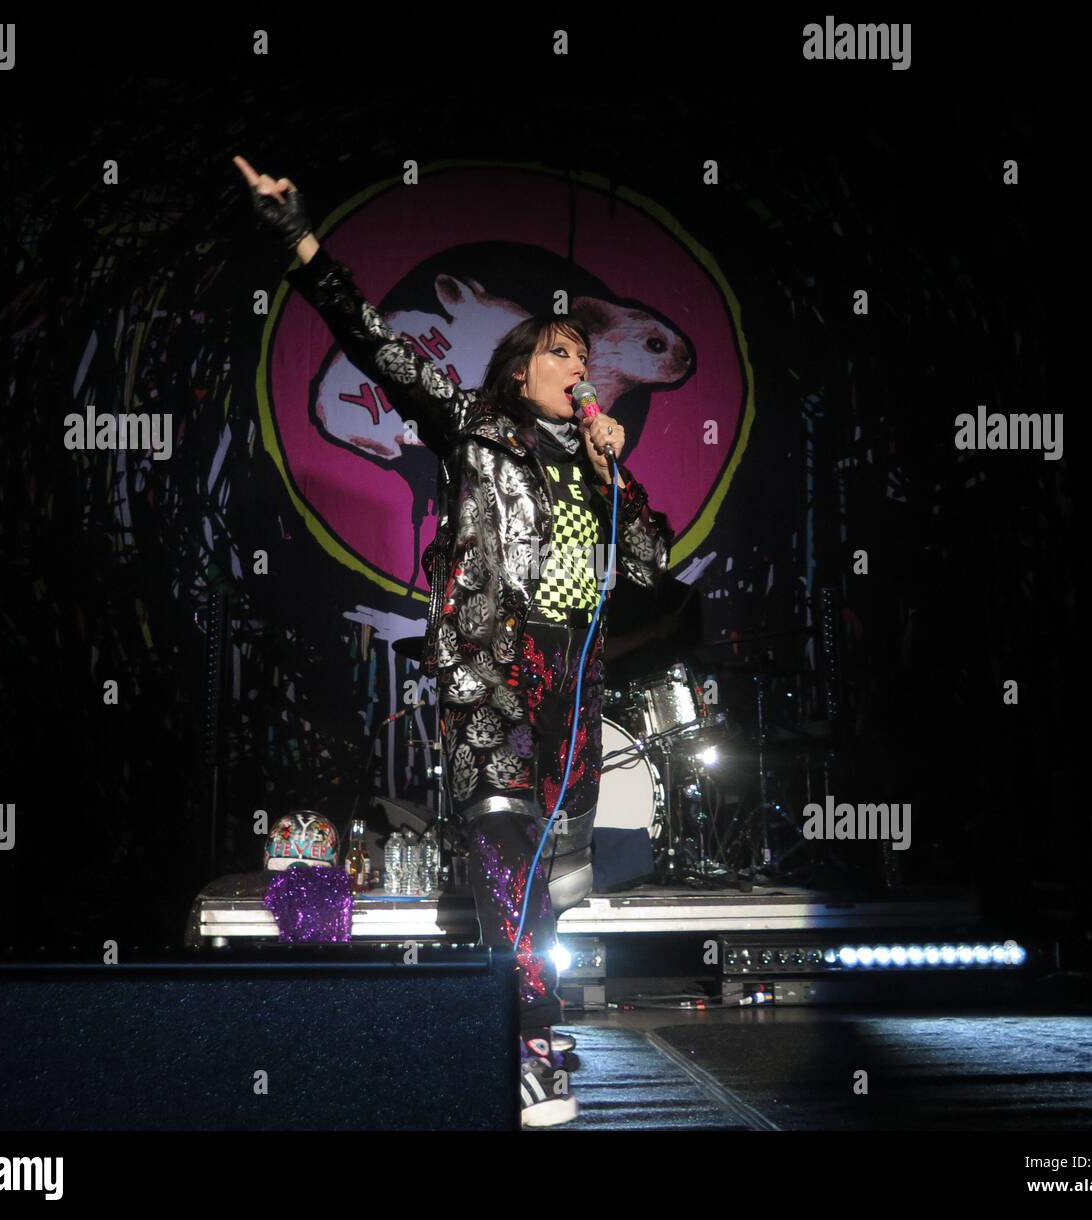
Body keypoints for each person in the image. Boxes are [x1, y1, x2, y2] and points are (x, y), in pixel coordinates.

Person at [234, 156, 674, 1126]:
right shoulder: (474, 428)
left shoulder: (601, 466)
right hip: (489, 671)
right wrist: (299, 239)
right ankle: (533, 1044)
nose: (579, 365)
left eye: (581, 354)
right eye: (559, 350)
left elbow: (647, 563)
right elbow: (375, 341)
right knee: (505, 856)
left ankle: (513, 1025)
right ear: (521, 371)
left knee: (550, 880)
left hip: (571, 680)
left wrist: (620, 474)